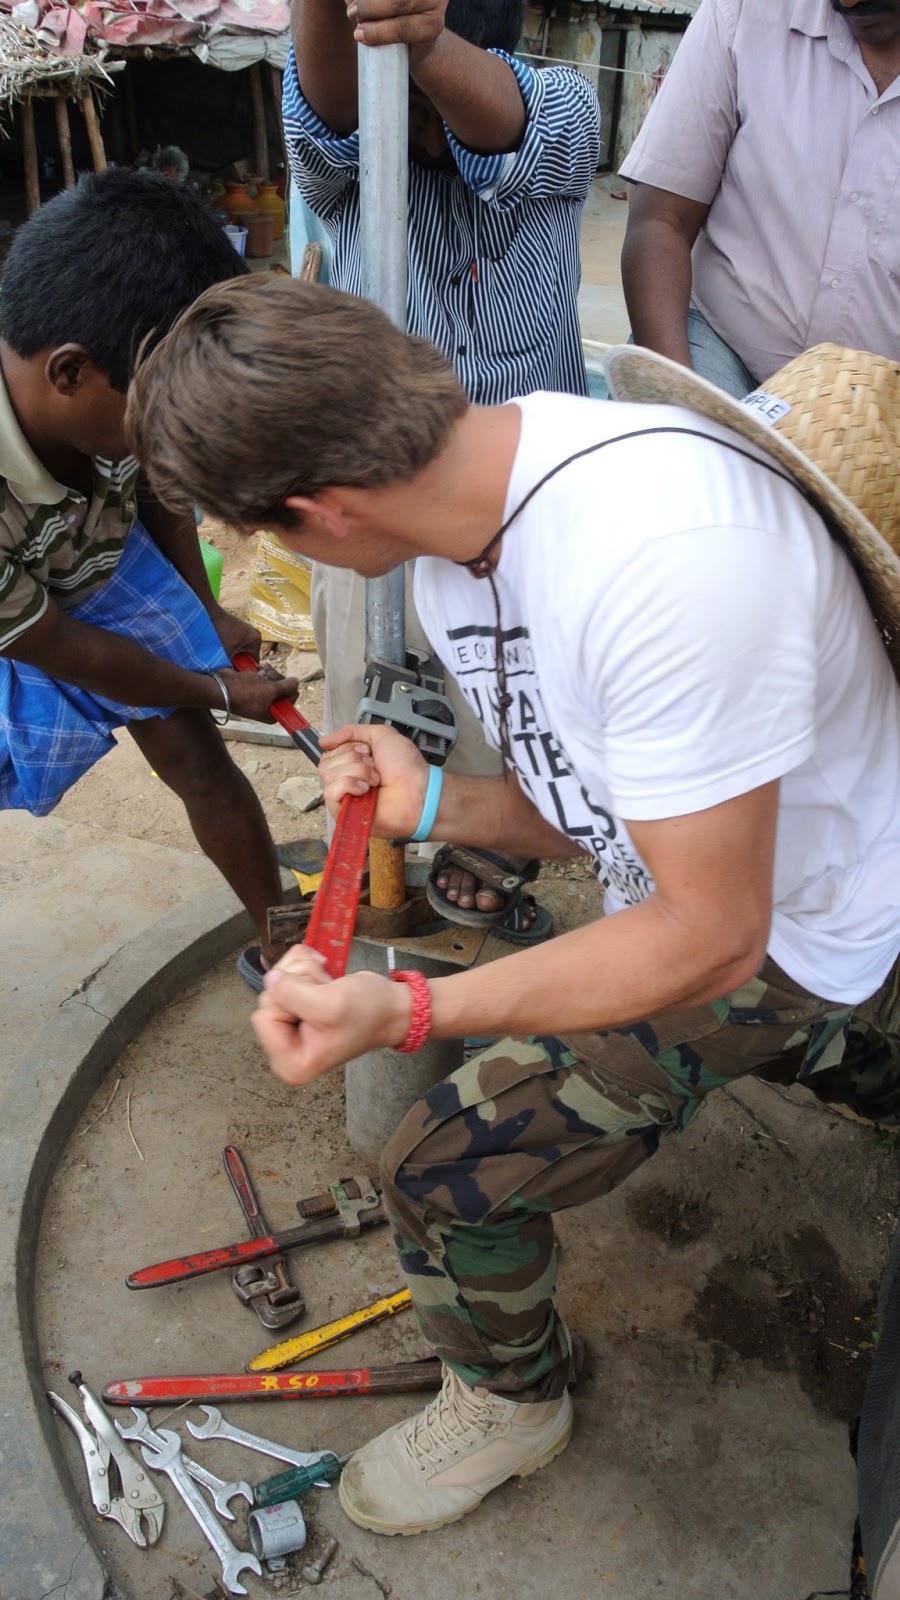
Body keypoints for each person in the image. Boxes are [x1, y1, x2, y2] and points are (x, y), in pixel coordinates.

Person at [126, 274, 900, 1536]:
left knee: (440, 1163)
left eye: (263, 533)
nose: (273, 557)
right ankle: (852, 1052)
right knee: (814, 1041)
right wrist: (435, 802)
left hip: (800, 917)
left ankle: (514, 1400)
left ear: (322, 510)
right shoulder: (464, 543)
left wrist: (414, 1005)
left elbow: (710, 933)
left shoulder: (661, 562)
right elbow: (611, 807)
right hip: (730, 882)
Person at [281, 0, 601, 947]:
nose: (408, 117)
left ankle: (494, 837)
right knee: (369, 667)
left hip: (520, 496)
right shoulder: (350, 171)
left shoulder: (561, 111)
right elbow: (332, 111)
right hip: (373, 487)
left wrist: (419, 43)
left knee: (509, 689)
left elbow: (502, 121)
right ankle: (372, 822)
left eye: (424, 89)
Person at [0, 171, 300, 984]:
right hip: (29, 620)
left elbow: (161, 496)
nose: (180, 426)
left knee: (196, 757)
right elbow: (60, 647)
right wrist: (213, 687)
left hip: (92, 562)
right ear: (69, 374)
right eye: (163, 409)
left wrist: (208, 619)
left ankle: (278, 937)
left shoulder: (121, 392)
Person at [619, 0, 900, 397]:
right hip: (720, 348)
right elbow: (661, 221)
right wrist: (681, 409)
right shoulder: (744, 12)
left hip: (876, 410)